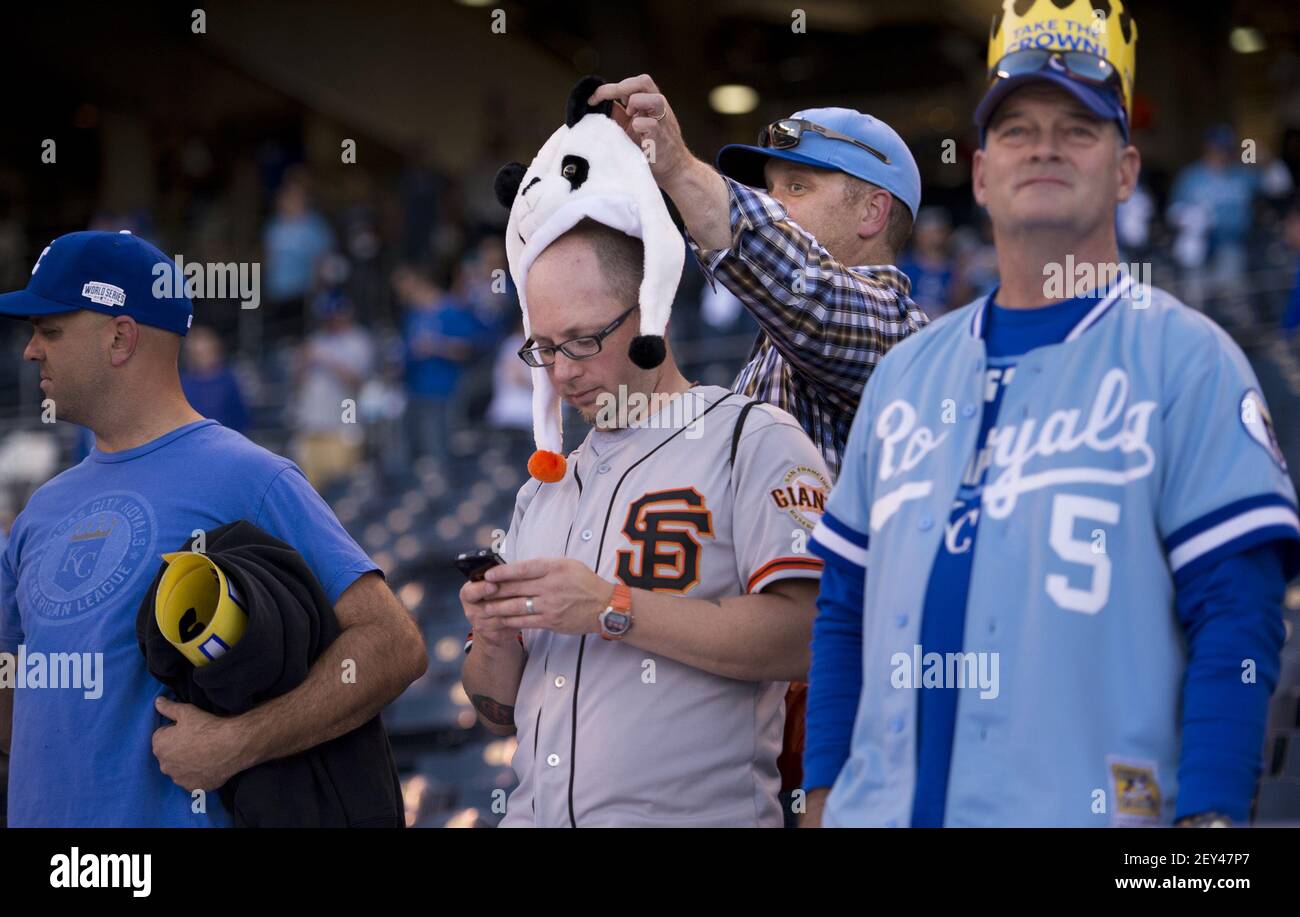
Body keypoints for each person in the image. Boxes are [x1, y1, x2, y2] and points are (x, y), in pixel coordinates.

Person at [803, 0, 1299, 828]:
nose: (1044, 145)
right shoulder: (903, 377)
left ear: (1125, 171)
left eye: (1079, 127)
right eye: (1018, 127)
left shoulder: (1188, 359)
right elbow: (842, 607)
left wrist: (1208, 831)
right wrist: (821, 801)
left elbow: (1237, 618)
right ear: (984, 173)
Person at [467, 88, 830, 826]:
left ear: (649, 310)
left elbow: (814, 637)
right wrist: (495, 638)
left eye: (582, 340)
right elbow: (496, 709)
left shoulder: (750, 437)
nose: (561, 370)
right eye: (543, 348)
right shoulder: (545, 488)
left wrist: (611, 607)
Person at [0, 230, 426, 827]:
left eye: (51, 332)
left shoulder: (249, 478)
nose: (30, 351)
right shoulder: (39, 512)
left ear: (120, 337)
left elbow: (393, 645)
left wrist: (240, 742)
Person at [589, 76, 927, 478]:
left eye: (798, 186)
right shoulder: (780, 339)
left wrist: (678, 167)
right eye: (769, 187)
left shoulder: (900, 332)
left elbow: (811, 292)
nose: (772, 201)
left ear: (873, 212)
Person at [290, 290, 374, 492]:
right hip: (312, 424)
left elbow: (357, 382)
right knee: (309, 490)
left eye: (336, 314)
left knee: (343, 488)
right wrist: (303, 361)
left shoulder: (358, 340)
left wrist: (327, 359)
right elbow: (296, 382)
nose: (332, 319)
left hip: (344, 423)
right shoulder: (316, 340)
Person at [180, 324, 250, 434]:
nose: (202, 356)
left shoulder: (228, 382)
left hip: (226, 441)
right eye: (197, 353)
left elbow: (241, 420)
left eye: (205, 351)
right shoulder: (182, 383)